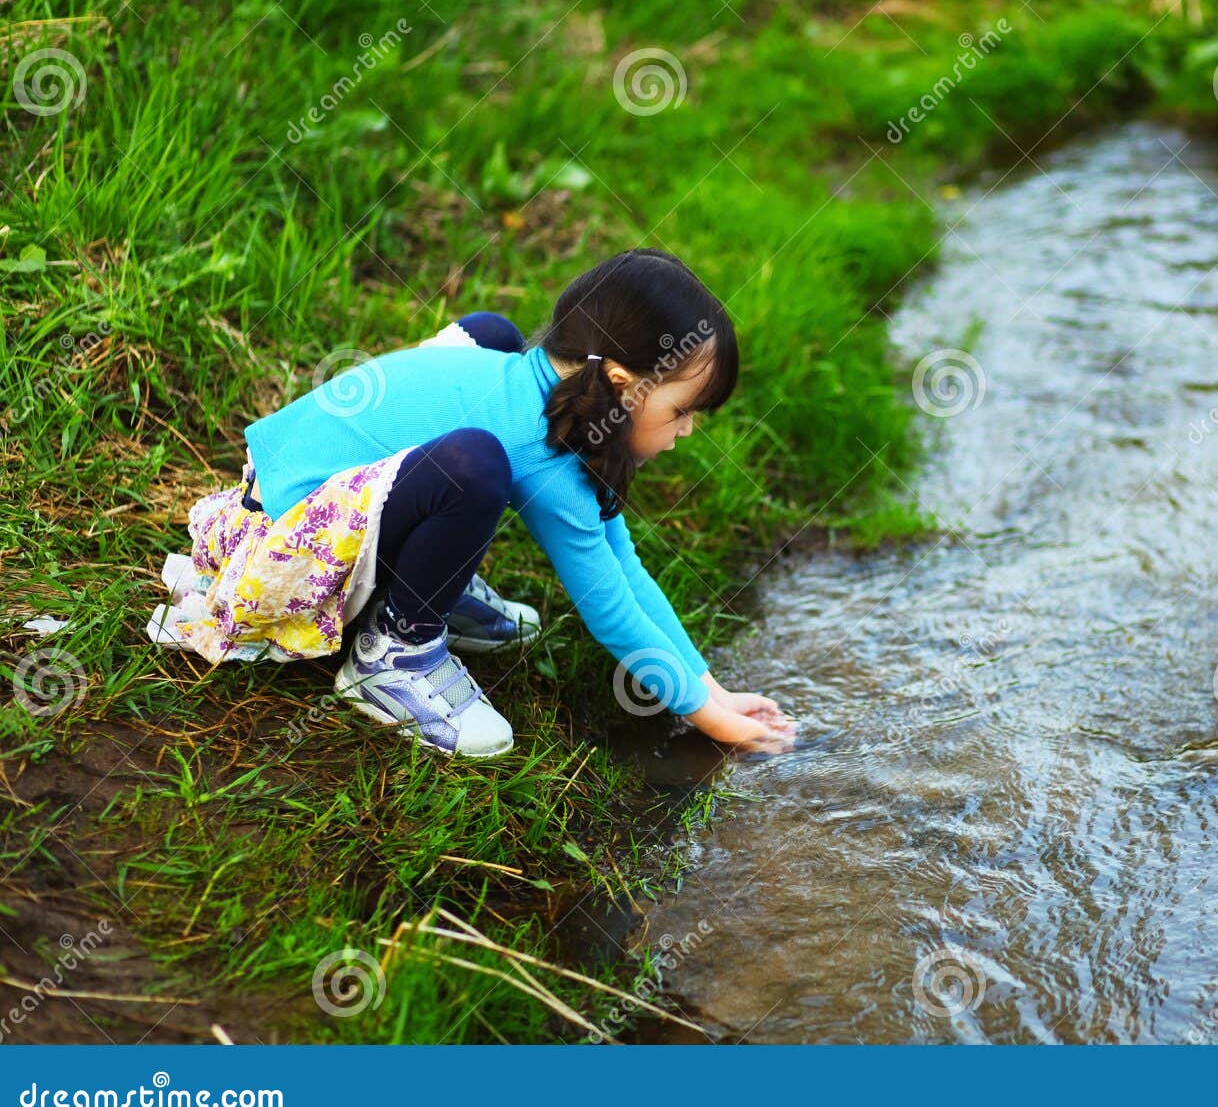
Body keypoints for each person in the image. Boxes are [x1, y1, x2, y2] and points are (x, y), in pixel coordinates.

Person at [148, 248, 797, 758]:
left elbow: (622, 562)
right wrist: (710, 720)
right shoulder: (541, 448)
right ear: (622, 386)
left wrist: (712, 687)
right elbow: (612, 608)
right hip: (283, 553)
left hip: (293, 498)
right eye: (682, 412)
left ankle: (423, 586)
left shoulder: (547, 394)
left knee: (492, 335)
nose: (687, 432)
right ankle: (393, 654)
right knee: (476, 463)